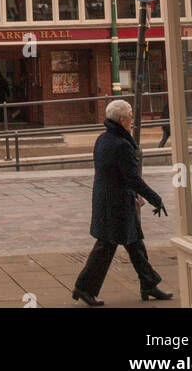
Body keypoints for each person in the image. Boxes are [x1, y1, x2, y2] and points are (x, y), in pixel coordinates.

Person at [72, 99, 172, 307]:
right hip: (116, 205)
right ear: (122, 120)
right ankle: (84, 288)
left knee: (135, 243)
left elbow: (113, 174)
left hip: (108, 199)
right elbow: (132, 178)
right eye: (130, 117)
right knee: (106, 246)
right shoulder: (122, 145)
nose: (132, 121)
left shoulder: (103, 139)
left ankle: (149, 283)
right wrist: (156, 198)